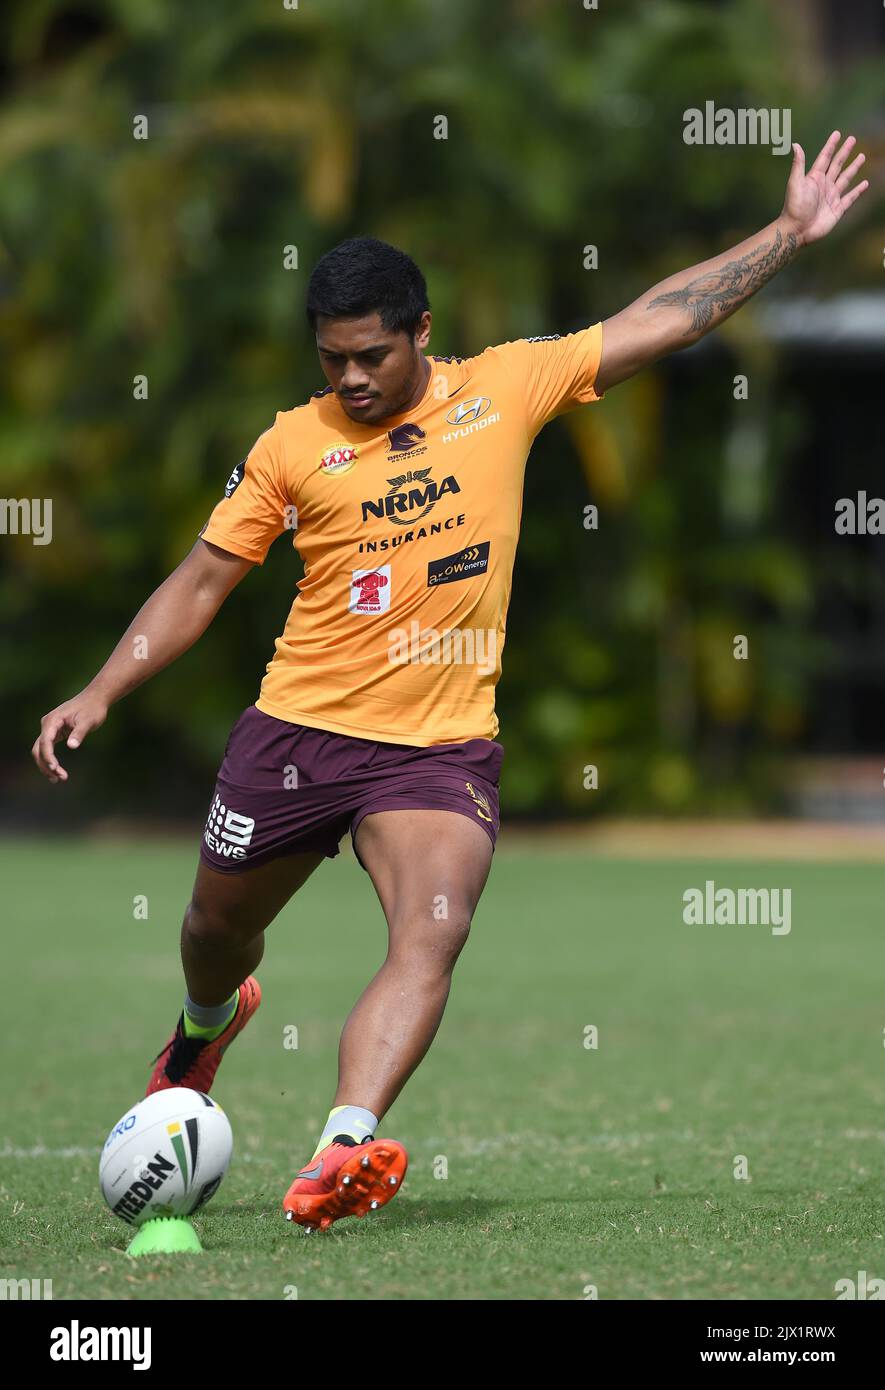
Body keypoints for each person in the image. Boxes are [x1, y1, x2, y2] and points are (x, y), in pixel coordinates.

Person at [32, 133, 867, 1232]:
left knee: (434, 928)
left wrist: (790, 232)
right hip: (297, 732)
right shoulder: (291, 446)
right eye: (332, 359)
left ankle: (342, 1143)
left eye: (372, 355)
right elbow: (199, 584)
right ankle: (207, 1018)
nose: (351, 378)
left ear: (422, 332)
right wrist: (102, 689)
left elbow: (668, 315)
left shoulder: (504, 389)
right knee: (210, 931)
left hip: (437, 749)